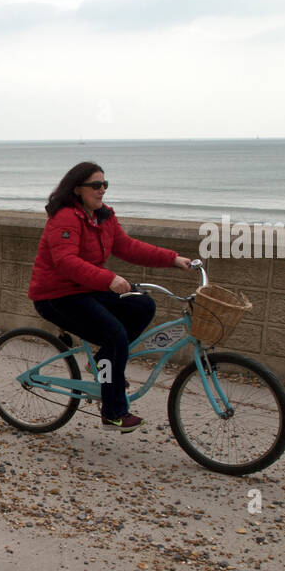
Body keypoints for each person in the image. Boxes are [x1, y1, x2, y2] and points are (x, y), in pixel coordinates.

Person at [28, 161, 193, 432]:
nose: (102, 189)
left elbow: (128, 247)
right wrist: (110, 279)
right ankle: (114, 413)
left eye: (105, 184)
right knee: (115, 335)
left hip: (86, 289)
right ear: (77, 189)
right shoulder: (66, 217)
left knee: (142, 306)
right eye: (96, 185)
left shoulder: (103, 217)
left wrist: (173, 259)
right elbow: (66, 261)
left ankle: (105, 363)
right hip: (55, 296)